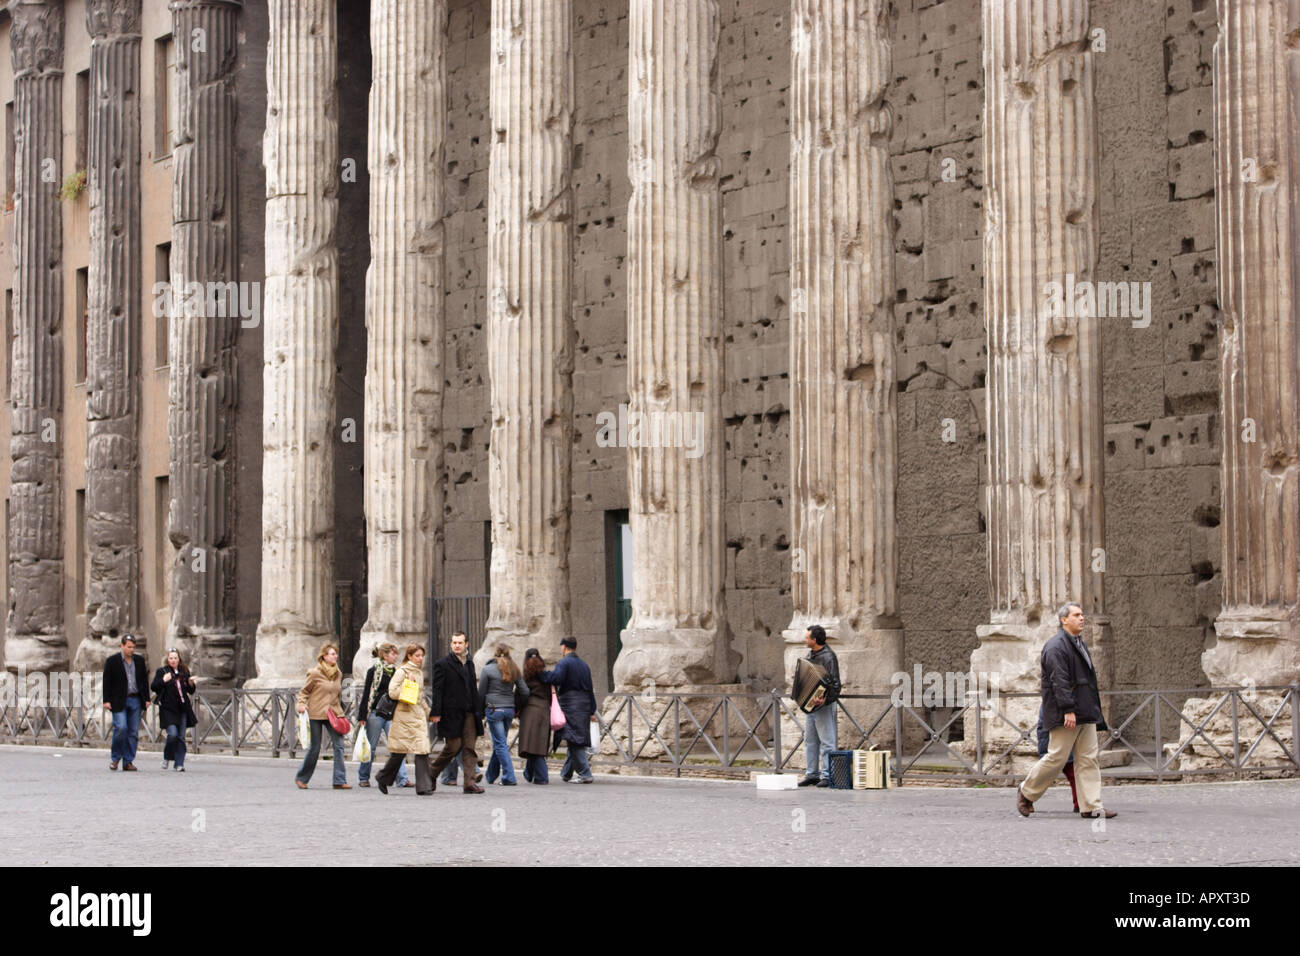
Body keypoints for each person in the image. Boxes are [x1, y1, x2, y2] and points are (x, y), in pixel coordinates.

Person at [1017, 603, 1117, 820]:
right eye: (1077, 615)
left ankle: (1091, 806)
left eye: (1082, 615)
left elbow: (1086, 681)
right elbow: (1059, 681)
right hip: (1067, 714)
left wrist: (1090, 710)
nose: (1082, 618)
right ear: (1064, 620)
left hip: (1085, 712)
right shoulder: (1056, 646)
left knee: (1088, 758)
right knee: (1056, 757)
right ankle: (1026, 791)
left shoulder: (1079, 643)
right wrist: (1068, 710)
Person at [428, 631, 486, 793]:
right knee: (453, 747)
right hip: (451, 713)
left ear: (466, 644)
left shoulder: (469, 663)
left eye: (460, 642)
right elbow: (437, 690)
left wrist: (478, 710)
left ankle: (469, 783)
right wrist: (436, 712)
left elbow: (473, 689)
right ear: (451, 644)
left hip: (469, 712)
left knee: (469, 748)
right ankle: (432, 773)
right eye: (454, 642)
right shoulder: (443, 664)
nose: (457, 645)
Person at [374, 644, 435, 795]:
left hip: (417, 716)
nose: (420, 659)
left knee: (422, 750)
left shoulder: (418, 672)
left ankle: (423, 787)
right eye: (417, 656)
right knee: (400, 751)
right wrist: (408, 685)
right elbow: (392, 692)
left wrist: (429, 713)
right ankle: (383, 777)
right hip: (404, 716)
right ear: (409, 656)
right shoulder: (402, 671)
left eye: (422, 656)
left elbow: (420, 698)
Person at [294, 643, 351, 790]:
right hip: (316, 713)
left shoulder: (338, 673)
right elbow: (304, 692)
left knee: (339, 745)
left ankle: (339, 780)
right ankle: (302, 778)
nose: (335, 656)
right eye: (332, 654)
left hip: (334, 713)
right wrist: (301, 704)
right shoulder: (315, 673)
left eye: (336, 654)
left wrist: (341, 712)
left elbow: (337, 693)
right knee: (315, 747)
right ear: (324, 656)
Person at [542, 636, 598, 783]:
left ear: (564, 647)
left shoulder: (564, 663)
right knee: (574, 737)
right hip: (584, 705)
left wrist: (542, 674)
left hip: (570, 705)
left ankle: (585, 774)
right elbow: (590, 689)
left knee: (574, 739)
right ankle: (566, 773)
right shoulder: (584, 665)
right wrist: (592, 710)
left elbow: (557, 679)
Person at [356, 643, 410, 789]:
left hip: (392, 713)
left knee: (396, 747)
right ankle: (363, 777)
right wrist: (362, 715)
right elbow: (367, 693)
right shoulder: (373, 671)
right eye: (393, 654)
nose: (395, 657)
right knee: (371, 747)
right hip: (375, 712)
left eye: (396, 654)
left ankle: (402, 779)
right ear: (385, 655)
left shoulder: (398, 672)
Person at [797, 624, 841, 788]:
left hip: (823, 705)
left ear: (814, 640)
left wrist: (824, 699)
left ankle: (828, 775)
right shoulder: (811, 654)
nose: (805, 639)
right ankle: (812, 774)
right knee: (810, 740)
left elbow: (835, 684)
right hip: (810, 705)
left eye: (807, 637)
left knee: (827, 741)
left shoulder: (829, 657)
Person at [479, 644, 526, 785]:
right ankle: (491, 775)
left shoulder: (487, 670)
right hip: (509, 709)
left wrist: (480, 711)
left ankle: (509, 777)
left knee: (500, 744)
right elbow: (525, 691)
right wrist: (517, 706)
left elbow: (481, 693)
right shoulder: (514, 669)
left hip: (494, 709)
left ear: (495, 654)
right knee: (501, 743)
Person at [103, 635, 150, 771]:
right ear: (122, 646)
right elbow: (107, 681)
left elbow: (143, 681)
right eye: (129, 647)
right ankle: (116, 758)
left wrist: (146, 699)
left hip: (135, 699)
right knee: (121, 728)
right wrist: (106, 700)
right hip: (118, 700)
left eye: (133, 647)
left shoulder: (140, 661)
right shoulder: (112, 661)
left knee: (133, 732)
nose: (131, 650)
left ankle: (128, 761)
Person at [151, 648, 197, 772]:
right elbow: (154, 686)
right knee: (172, 734)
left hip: (182, 707)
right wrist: (163, 680)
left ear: (179, 659)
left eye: (175, 658)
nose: (173, 660)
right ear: (168, 659)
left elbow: (190, 690)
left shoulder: (184, 671)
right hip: (168, 708)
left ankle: (179, 763)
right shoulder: (162, 671)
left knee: (181, 737)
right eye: (171, 658)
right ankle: (167, 756)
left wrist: (191, 683)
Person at [516, 648, 551, 784]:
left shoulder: (525, 677)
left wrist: (517, 710)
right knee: (538, 744)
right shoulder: (546, 677)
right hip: (544, 710)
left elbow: (520, 694)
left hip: (529, 711)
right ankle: (529, 773)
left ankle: (542, 777)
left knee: (533, 746)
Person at [1035, 707, 1078, 813]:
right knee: (1045, 773)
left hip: (1066, 730)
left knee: (1074, 772)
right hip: (1055, 733)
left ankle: (1080, 803)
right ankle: (1025, 796)